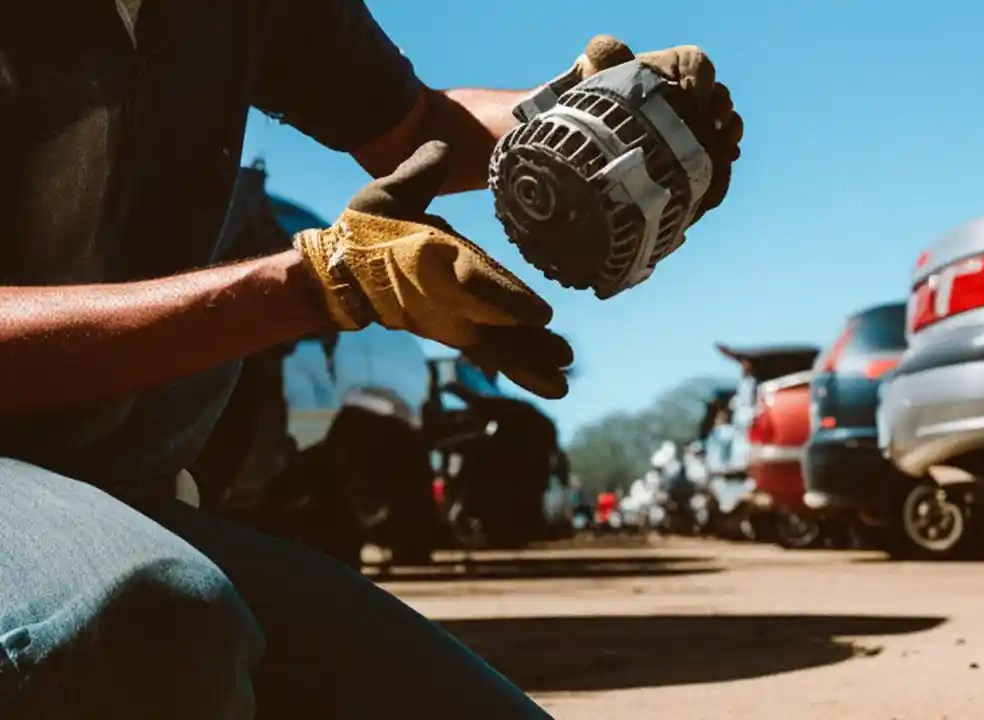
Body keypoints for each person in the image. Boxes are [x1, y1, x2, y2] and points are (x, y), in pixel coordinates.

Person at [0, 1, 742, 717]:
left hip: (130, 498)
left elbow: (414, 126)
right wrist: (306, 288)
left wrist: (580, 109)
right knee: (153, 631)